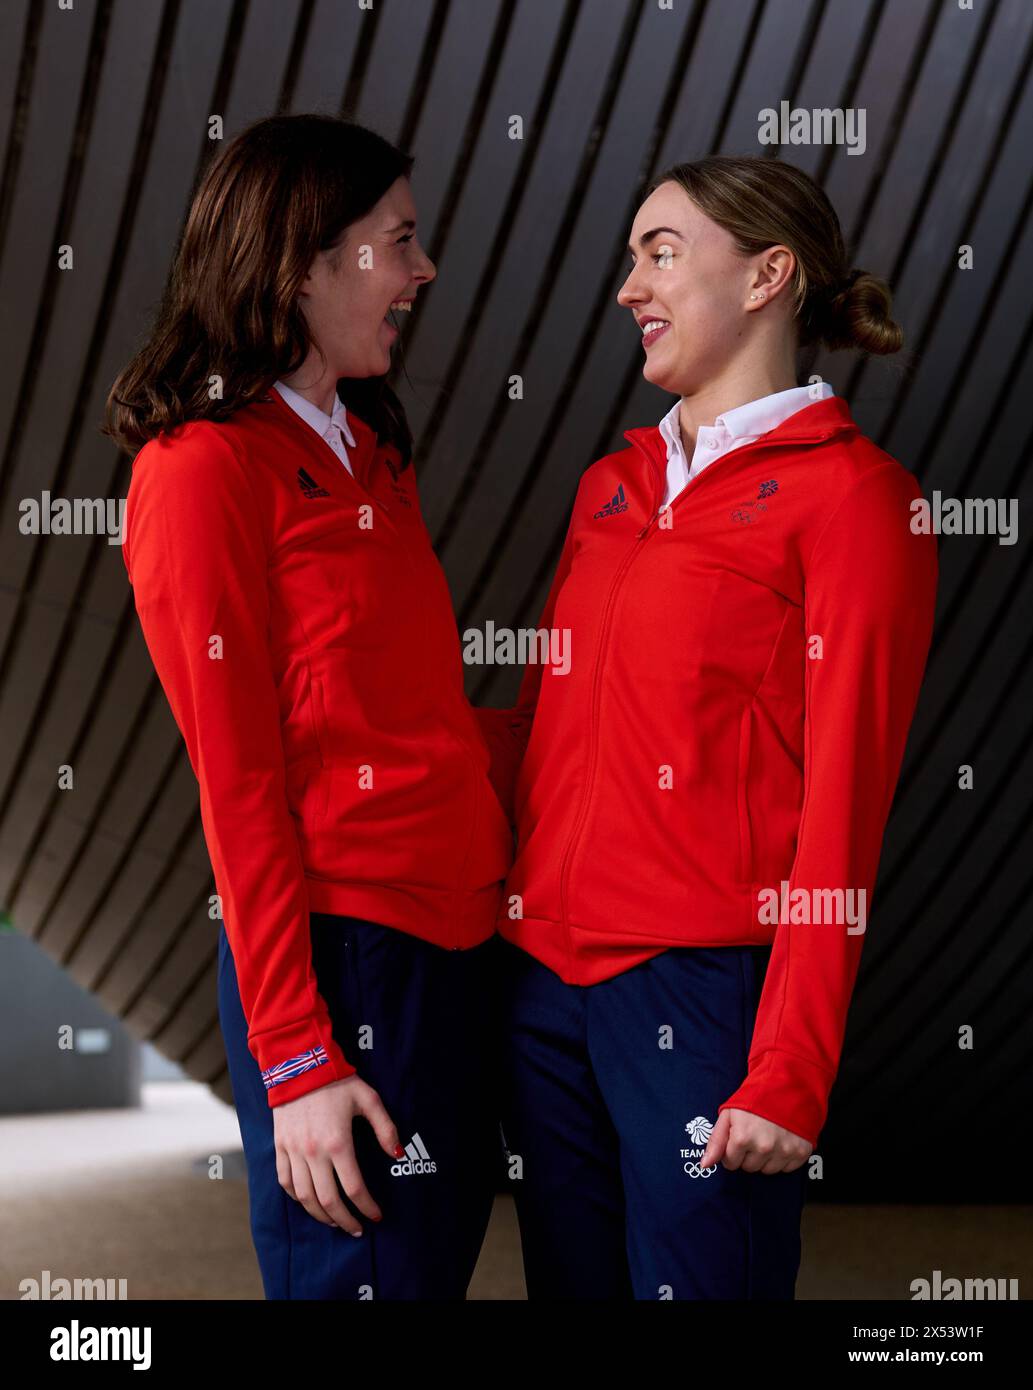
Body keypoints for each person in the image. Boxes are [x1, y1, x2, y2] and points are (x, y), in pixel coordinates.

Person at [486, 154, 939, 1300]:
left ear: (767, 275)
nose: (630, 286)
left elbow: (845, 801)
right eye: (632, 257)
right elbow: (544, 736)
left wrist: (789, 1065)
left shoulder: (858, 501)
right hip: (543, 984)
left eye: (661, 252)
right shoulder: (609, 486)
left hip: (699, 992)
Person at [103, 113, 512, 1300]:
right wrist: (293, 1053)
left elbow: (410, 718)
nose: (422, 270)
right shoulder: (199, 470)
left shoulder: (366, 447)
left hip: (460, 942)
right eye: (397, 241)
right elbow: (238, 780)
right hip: (344, 958)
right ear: (299, 263)